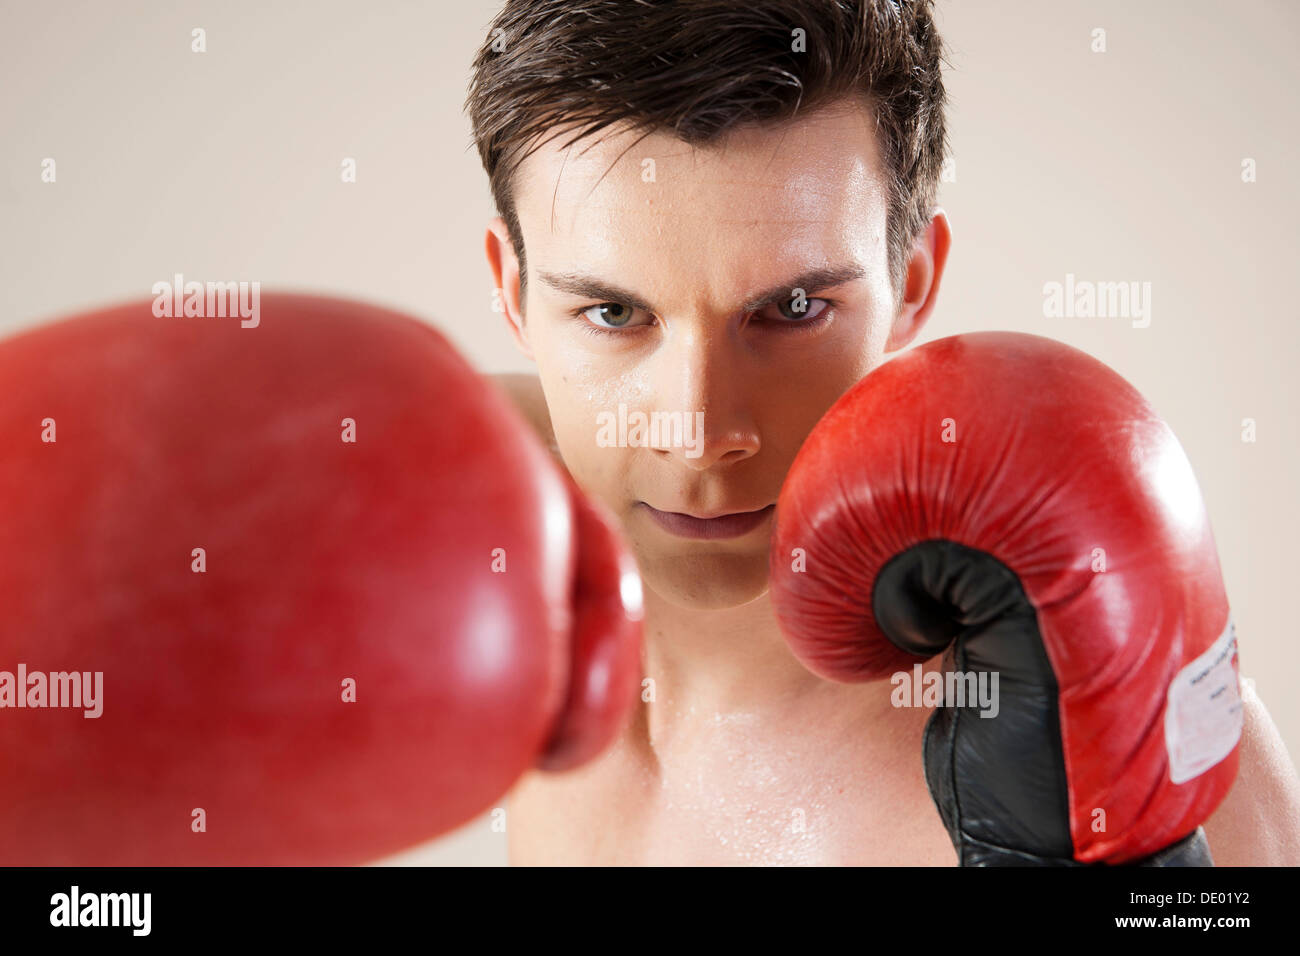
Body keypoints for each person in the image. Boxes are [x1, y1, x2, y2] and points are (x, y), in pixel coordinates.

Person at [467, 0, 1300, 865]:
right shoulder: (480, 570)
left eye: (793, 309)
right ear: (511, 289)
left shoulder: (1144, 741)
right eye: (612, 312)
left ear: (912, 280)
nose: (700, 432)